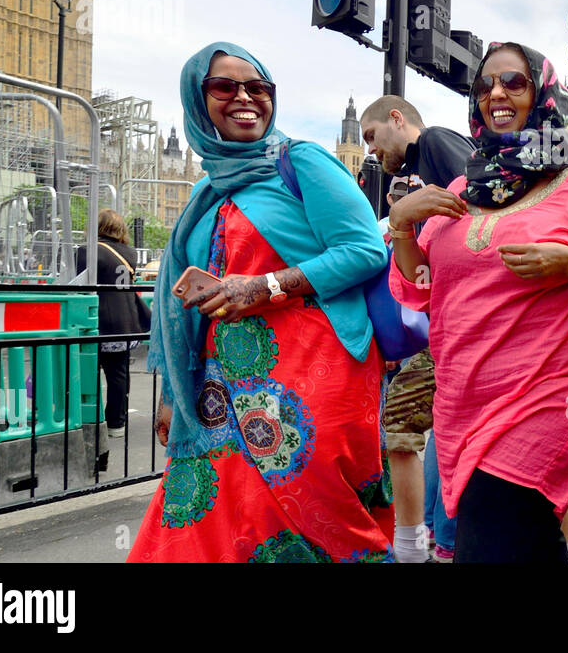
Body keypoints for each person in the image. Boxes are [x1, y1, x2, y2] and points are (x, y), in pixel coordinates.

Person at [129, 42, 394, 563]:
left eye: (258, 88)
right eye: (224, 87)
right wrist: (171, 397)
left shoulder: (302, 161)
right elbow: (186, 308)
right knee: (209, 523)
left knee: (310, 522)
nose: (245, 98)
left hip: (313, 383)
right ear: (196, 99)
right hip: (218, 395)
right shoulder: (206, 190)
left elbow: (364, 250)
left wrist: (265, 286)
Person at [387, 41, 568, 563]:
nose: (496, 92)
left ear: (542, 94)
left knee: (494, 531)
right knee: (519, 541)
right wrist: (404, 226)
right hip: (464, 398)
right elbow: (419, 286)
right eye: (485, 84)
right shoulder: (457, 188)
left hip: (547, 396)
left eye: (513, 82)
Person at [360, 94, 473, 563]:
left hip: (456, 325)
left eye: (371, 136)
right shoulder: (421, 164)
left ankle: (419, 546)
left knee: (409, 425)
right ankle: (431, 542)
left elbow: (473, 212)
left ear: (396, 119)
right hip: (449, 323)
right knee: (430, 429)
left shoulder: (435, 142)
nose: (370, 149)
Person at [76, 209, 149, 439]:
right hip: (125, 321)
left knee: (86, 371)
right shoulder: (130, 252)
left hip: (96, 319)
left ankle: (87, 419)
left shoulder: (88, 251)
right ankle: (117, 422)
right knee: (118, 374)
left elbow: (77, 283)